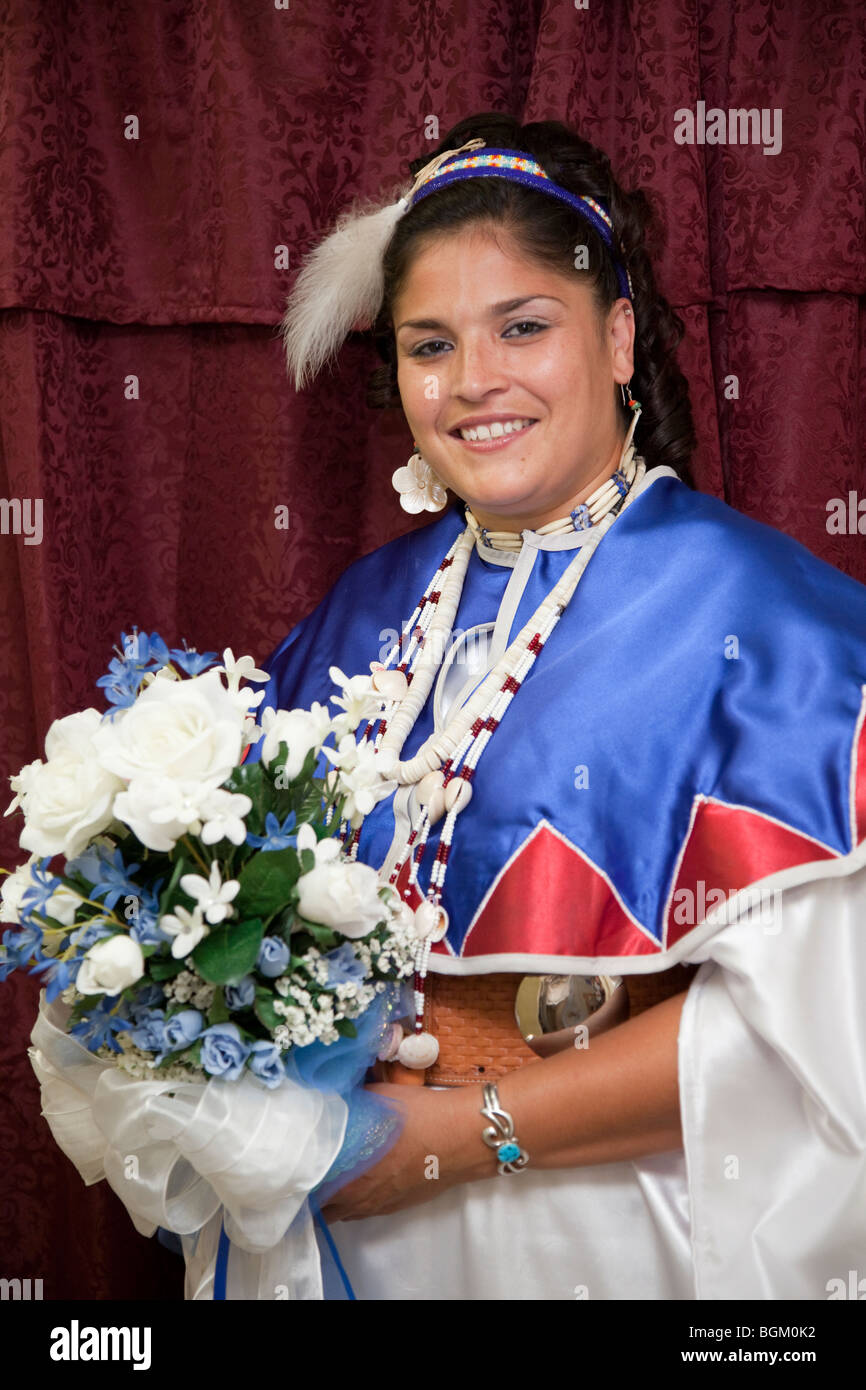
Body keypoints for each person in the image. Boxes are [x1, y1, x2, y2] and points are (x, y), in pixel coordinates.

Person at [244, 113, 866, 1300]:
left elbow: (811, 1036)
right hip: (345, 1247)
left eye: (522, 327)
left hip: (611, 1246)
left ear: (618, 337)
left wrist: (453, 1141)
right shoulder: (354, 616)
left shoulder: (773, 628)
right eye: (430, 345)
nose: (472, 382)